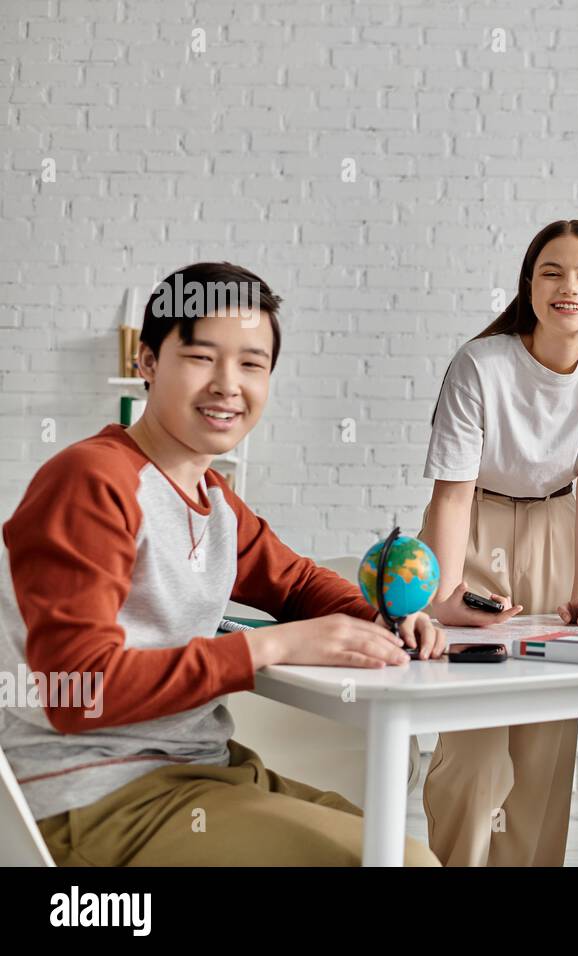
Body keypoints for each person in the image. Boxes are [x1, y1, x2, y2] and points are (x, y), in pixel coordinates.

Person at [0, 262, 442, 866]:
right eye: (202, 357)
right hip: (93, 799)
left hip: (207, 775)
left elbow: (300, 584)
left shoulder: (211, 497)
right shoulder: (91, 481)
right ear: (148, 362)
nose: (228, 385)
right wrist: (268, 649)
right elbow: (77, 691)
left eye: (252, 364)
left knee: (398, 848)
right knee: (398, 865)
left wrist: (385, 618)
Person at [417, 220, 578, 866]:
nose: (567, 287)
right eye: (551, 272)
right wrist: (444, 593)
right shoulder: (479, 365)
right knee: (475, 747)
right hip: (475, 527)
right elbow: (452, 493)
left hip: (557, 526)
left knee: (545, 739)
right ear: (528, 285)